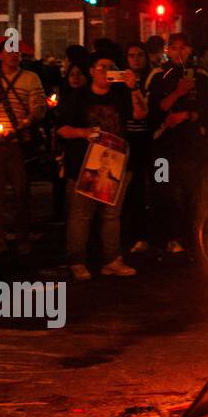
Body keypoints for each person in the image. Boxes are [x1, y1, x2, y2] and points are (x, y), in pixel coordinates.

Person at [56, 52, 145, 281]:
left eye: (110, 66)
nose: (106, 71)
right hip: (84, 164)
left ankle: (111, 260)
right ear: (92, 71)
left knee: (111, 215)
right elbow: (62, 128)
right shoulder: (78, 97)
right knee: (80, 215)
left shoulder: (121, 94)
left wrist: (134, 88)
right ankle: (77, 261)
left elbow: (140, 114)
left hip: (114, 163)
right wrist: (83, 133)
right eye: (101, 67)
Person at [147, 32, 208, 255]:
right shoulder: (158, 75)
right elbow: (153, 109)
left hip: (192, 145)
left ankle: (190, 236)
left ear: (190, 50)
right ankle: (165, 236)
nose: (179, 51)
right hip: (163, 146)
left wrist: (188, 114)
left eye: (183, 47)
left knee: (192, 191)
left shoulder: (203, 76)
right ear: (168, 50)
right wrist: (178, 93)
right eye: (174, 47)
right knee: (163, 190)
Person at [0, 49, 46, 256]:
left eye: (16, 53)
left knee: (21, 191)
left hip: (18, 143)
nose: (14, 56)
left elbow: (38, 107)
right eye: (9, 52)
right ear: (0, 56)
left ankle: (22, 237)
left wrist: (22, 125)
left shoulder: (31, 78)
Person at [122, 42, 154, 256]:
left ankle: (150, 233)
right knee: (130, 188)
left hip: (150, 140)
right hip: (128, 140)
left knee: (156, 184)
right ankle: (131, 234)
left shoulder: (153, 79)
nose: (136, 59)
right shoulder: (120, 80)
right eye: (131, 55)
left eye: (140, 55)